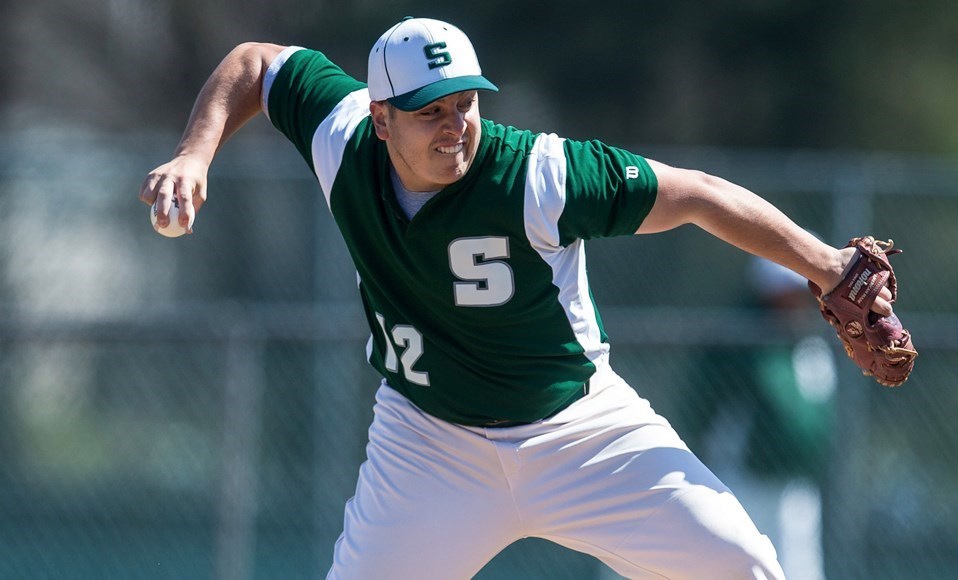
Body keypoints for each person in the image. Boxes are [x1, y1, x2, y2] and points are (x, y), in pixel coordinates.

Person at [139, 17, 893, 579]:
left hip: (579, 430)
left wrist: (830, 267)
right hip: (428, 444)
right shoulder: (342, 141)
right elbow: (255, 64)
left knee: (744, 566)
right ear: (380, 118)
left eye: (465, 102)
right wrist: (194, 154)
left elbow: (696, 194)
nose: (455, 126)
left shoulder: (539, 174)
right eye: (430, 110)